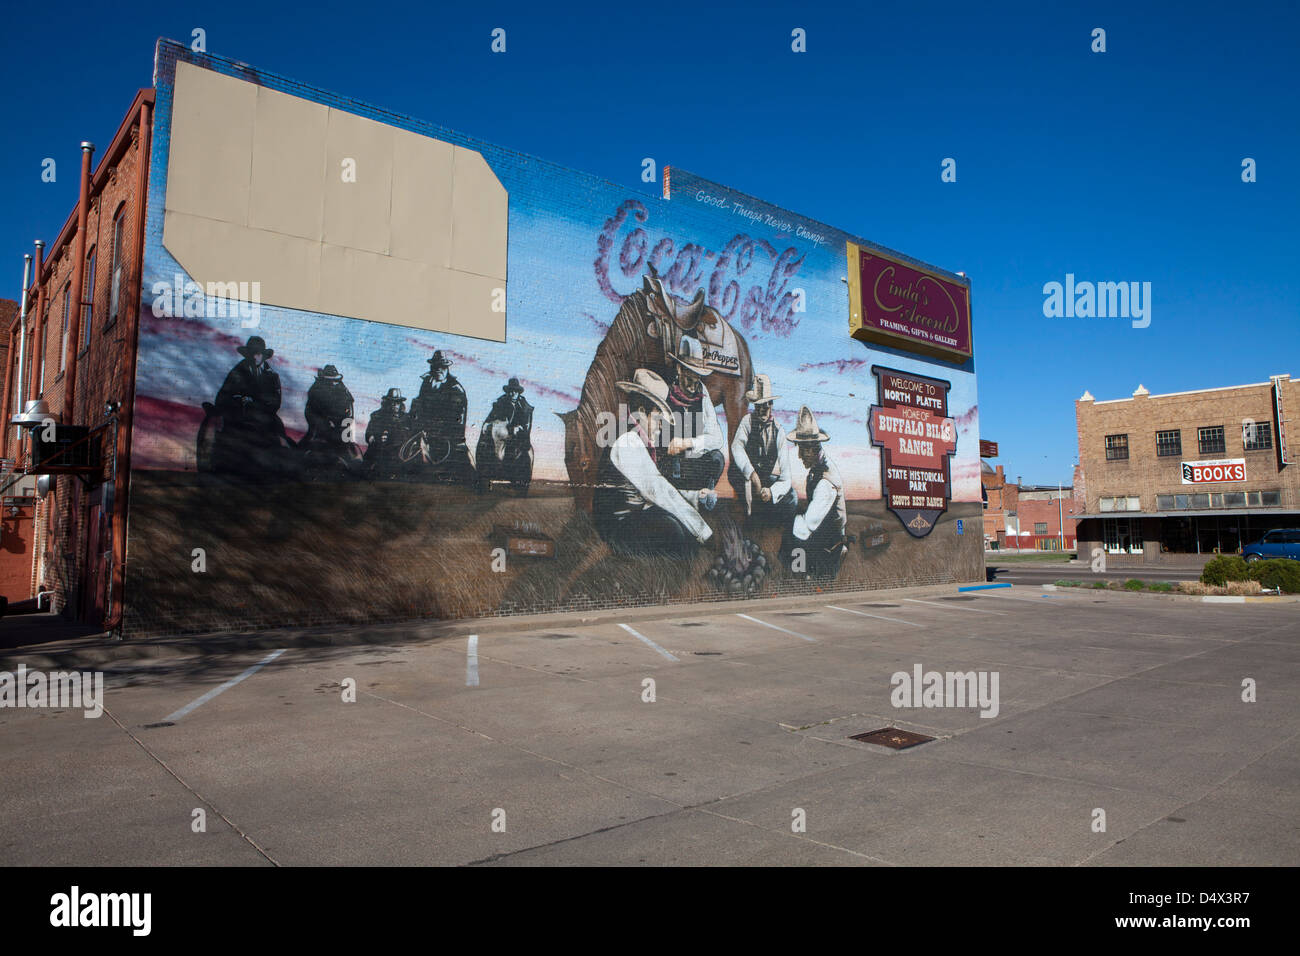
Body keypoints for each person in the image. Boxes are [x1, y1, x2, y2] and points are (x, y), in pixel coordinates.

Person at [593, 369, 714, 557]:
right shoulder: (628, 442)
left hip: (633, 517)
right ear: (642, 411)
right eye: (658, 419)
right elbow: (657, 490)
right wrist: (703, 532)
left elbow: (657, 489)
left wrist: (696, 497)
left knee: (679, 530)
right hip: (617, 529)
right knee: (675, 531)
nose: (660, 426)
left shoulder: (635, 438)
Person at [785, 406, 849, 577]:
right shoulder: (817, 469)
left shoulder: (825, 483)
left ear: (811, 449)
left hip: (829, 544)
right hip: (824, 534)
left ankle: (801, 576)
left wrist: (790, 521)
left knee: (794, 534)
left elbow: (807, 527)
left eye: (801, 449)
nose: (799, 456)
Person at [212, 335, 290, 474]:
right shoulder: (238, 371)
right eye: (252, 353)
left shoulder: (272, 376)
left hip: (264, 417)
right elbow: (224, 395)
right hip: (240, 415)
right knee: (226, 439)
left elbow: (275, 402)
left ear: (264, 356)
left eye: (258, 354)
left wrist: (256, 404)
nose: (255, 357)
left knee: (279, 439)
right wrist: (238, 400)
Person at [728, 374, 798, 524]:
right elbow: (737, 447)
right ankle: (749, 512)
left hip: (765, 478)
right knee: (734, 472)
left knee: (792, 497)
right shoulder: (747, 421)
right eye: (758, 406)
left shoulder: (779, 431)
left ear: (771, 405)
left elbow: (786, 476)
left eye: (765, 406)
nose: (762, 411)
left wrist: (772, 492)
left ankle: (763, 515)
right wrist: (752, 474)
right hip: (746, 475)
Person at [661, 336, 724, 498]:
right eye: (689, 380)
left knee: (717, 458)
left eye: (696, 382)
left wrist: (688, 443)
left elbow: (717, 438)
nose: (692, 387)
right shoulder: (665, 390)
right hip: (668, 464)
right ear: (679, 370)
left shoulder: (701, 392)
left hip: (692, 464)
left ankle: (704, 494)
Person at [409, 349, 473, 481]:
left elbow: (457, 419)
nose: (438, 369)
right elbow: (420, 406)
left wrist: (441, 430)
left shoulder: (456, 389)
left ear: (446, 368)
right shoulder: (426, 383)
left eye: (442, 367)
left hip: (448, 435)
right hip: (427, 431)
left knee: (461, 459)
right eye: (435, 366)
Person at [476, 378, 534, 487]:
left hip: (517, 437)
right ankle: (483, 477)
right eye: (510, 391)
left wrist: (519, 428)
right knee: (484, 447)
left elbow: (527, 425)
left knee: (525, 452)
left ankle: (523, 480)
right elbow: (491, 416)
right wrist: (486, 423)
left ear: (518, 392)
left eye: (515, 391)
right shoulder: (500, 403)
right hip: (500, 434)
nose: (512, 393)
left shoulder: (525, 407)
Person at [303, 365, 355, 447]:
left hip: (339, 422)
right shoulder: (316, 387)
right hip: (320, 421)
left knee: (347, 443)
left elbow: (349, 403)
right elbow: (312, 408)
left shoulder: (341, 387)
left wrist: (347, 420)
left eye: (333, 379)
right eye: (329, 379)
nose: (332, 382)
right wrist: (325, 421)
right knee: (312, 438)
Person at [364, 388, 411, 476]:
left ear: (401, 404)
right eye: (392, 402)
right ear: (387, 403)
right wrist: (375, 437)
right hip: (380, 450)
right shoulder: (377, 416)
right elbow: (369, 433)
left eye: (397, 402)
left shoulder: (406, 418)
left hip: (399, 452)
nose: (394, 405)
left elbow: (410, 435)